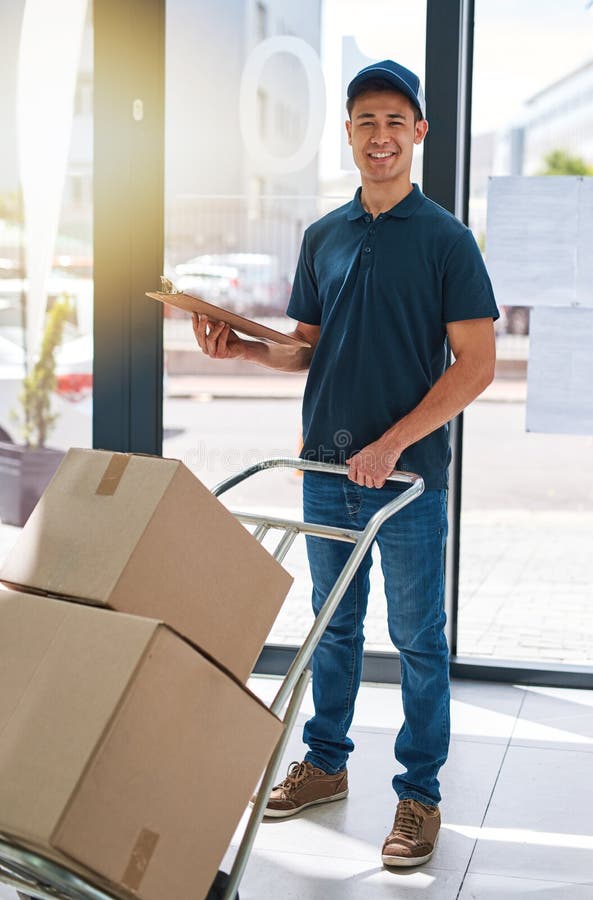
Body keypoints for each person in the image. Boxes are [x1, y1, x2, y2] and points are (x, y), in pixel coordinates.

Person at [193, 59, 498, 868]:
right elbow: (309, 355)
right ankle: (325, 765)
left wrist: (391, 443)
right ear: (349, 134)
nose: (380, 135)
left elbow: (474, 366)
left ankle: (418, 796)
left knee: (417, 639)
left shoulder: (447, 240)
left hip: (405, 483)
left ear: (419, 133)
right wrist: (245, 349)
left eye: (395, 121)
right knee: (331, 628)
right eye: (366, 120)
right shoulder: (322, 236)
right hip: (325, 475)